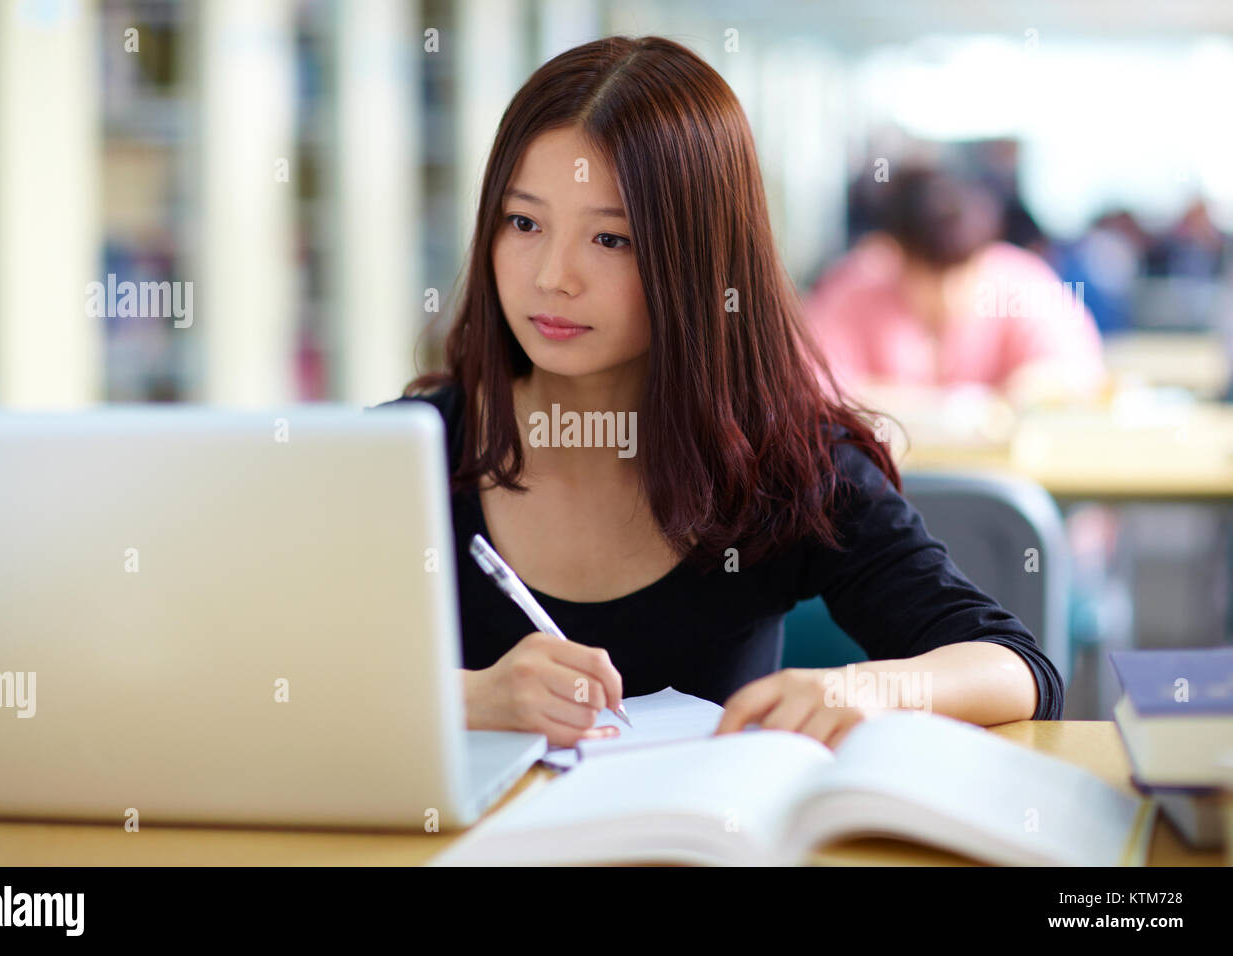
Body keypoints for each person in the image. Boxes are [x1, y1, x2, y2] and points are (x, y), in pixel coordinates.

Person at [379, 37, 1063, 751]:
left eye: (611, 240)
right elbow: (267, 679)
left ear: (702, 261)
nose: (553, 276)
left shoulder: (782, 461)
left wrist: (864, 687)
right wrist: (469, 696)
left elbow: (1018, 667)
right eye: (524, 224)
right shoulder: (406, 455)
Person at [806, 167, 1108, 408]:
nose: (948, 294)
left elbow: (1079, 370)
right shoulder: (854, 288)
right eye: (931, 276)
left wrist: (1027, 392)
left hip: (1005, 474)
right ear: (895, 254)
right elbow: (810, 385)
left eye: (961, 273)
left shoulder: (1021, 282)